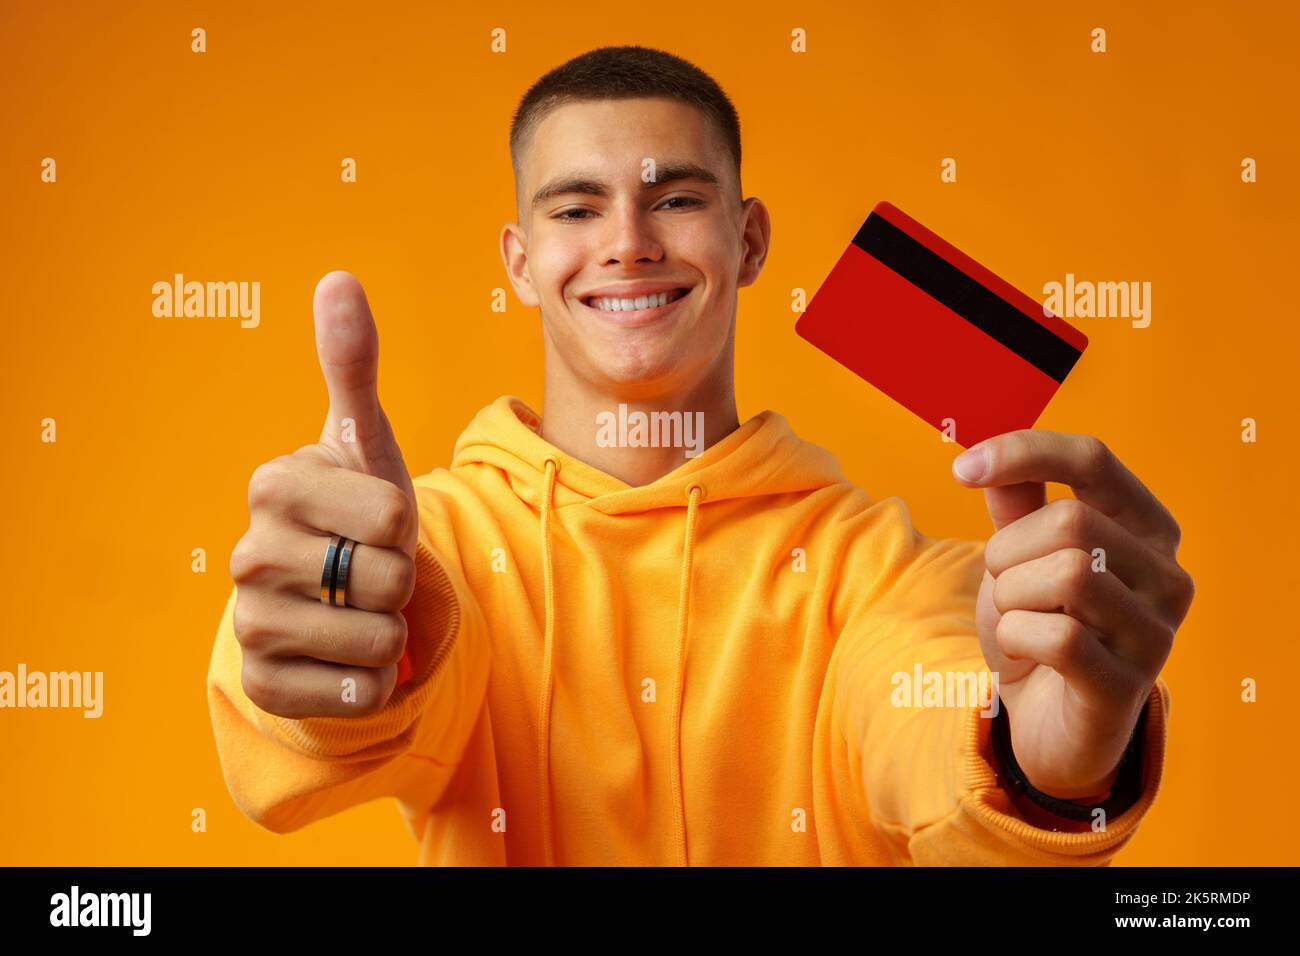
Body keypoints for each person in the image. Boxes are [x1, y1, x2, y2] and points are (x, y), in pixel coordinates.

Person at [206, 45, 1193, 866]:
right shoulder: (437, 546)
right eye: (576, 207)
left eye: (674, 198)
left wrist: (1043, 758)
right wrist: (321, 651)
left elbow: (925, 716)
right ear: (518, 259)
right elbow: (322, 737)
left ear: (749, 238)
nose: (628, 243)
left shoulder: (875, 573)